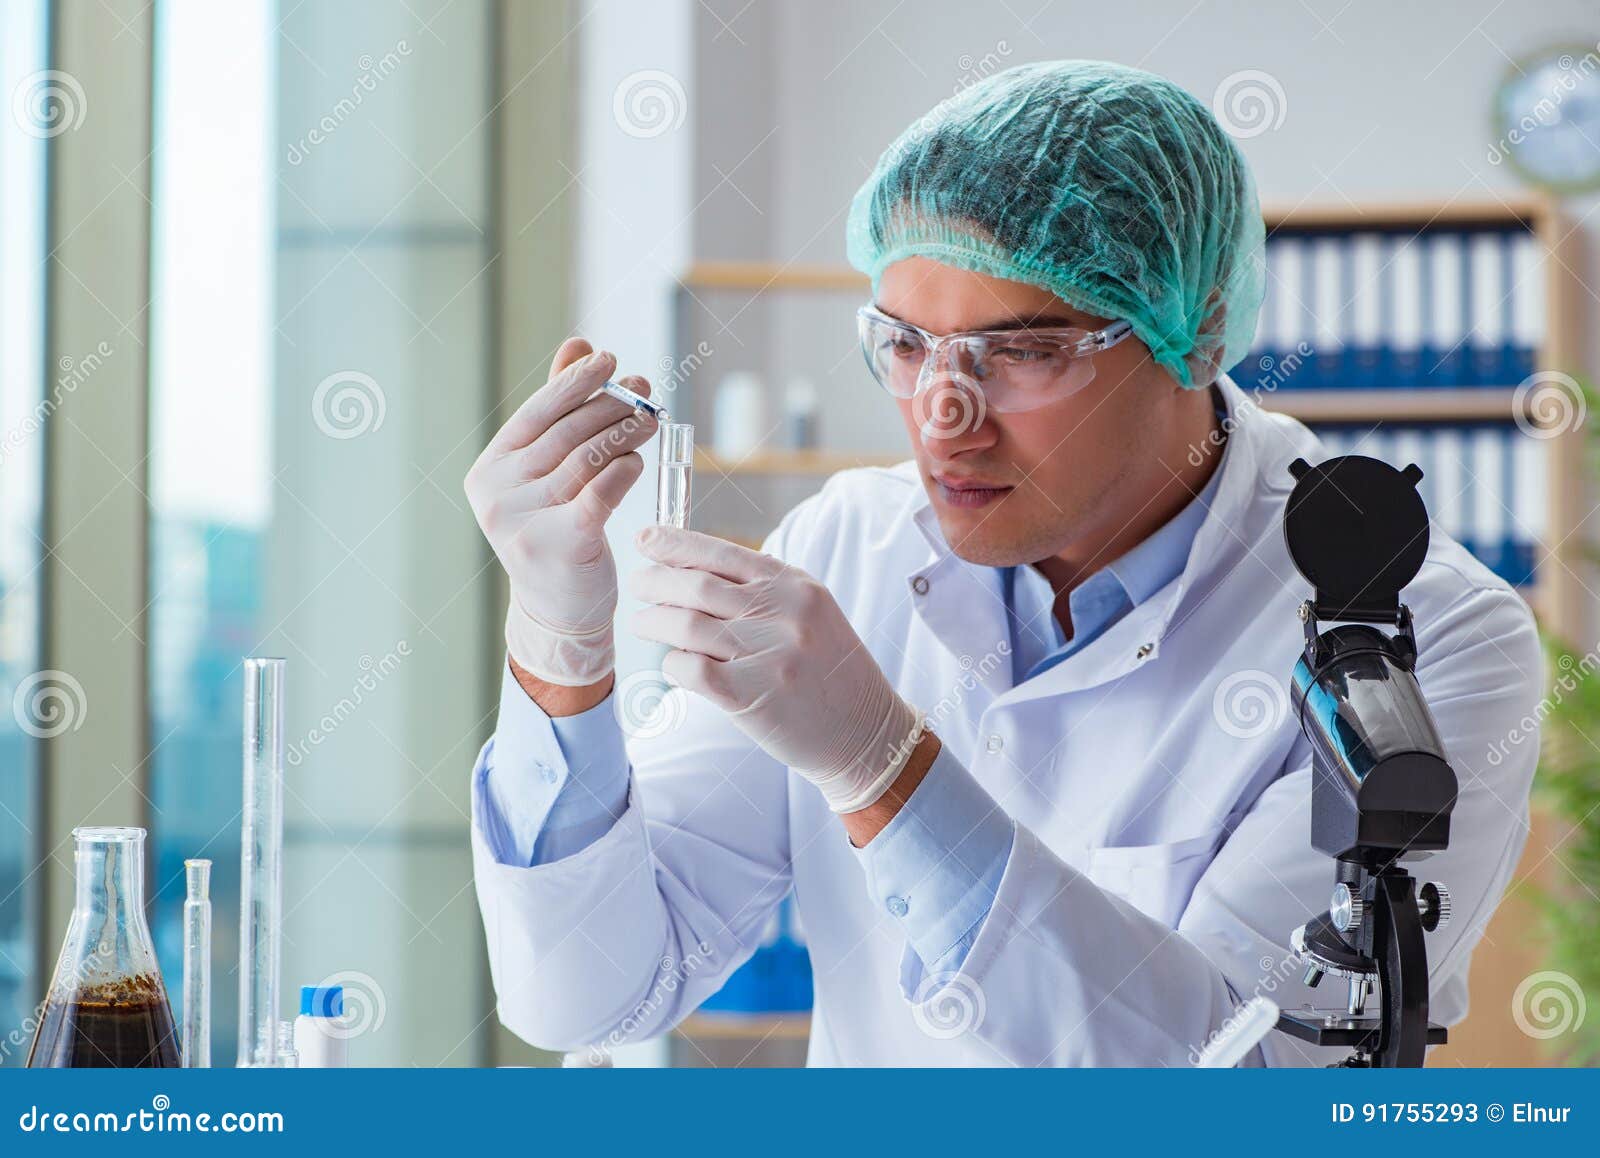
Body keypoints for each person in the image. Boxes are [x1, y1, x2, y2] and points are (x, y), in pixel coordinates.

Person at [464, 60, 1542, 1065]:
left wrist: (886, 769)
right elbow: (591, 999)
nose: (944, 414)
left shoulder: (1429, 644)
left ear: (1196, 330)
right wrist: (559, 647)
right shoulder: (845, 544)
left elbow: (1236, 1075)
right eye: (904, 341)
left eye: (1021, 351)